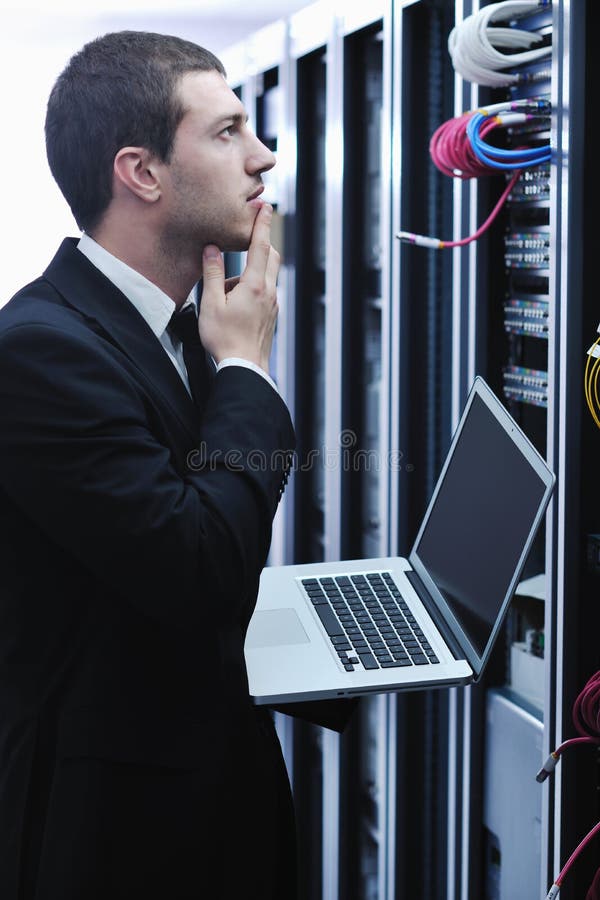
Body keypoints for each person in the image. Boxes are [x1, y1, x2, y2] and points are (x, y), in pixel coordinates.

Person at [0, 30, 298, 900]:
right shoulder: (39, 354)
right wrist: (245, 368)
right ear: (142, 173)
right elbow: (199, 565)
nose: (263, 157)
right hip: (119, 840)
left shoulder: (171, 323)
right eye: (227, 133)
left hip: (192, 793)